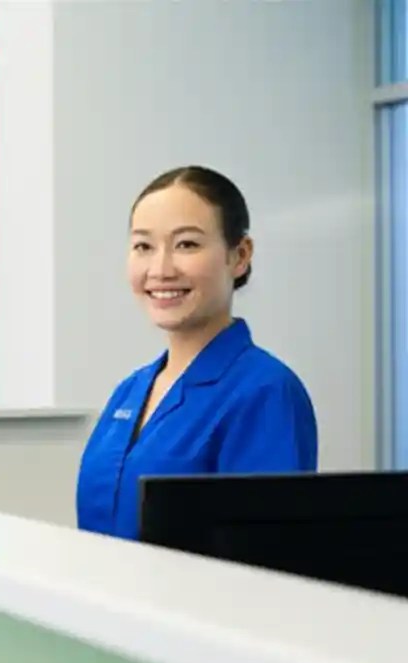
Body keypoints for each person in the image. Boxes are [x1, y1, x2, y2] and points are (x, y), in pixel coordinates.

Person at [76, 166, 318, 540]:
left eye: (186, 244)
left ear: (239, 255)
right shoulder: (130, 390)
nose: (160, 269)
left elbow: (266, 559)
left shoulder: (265, 392)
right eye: (143, 246)